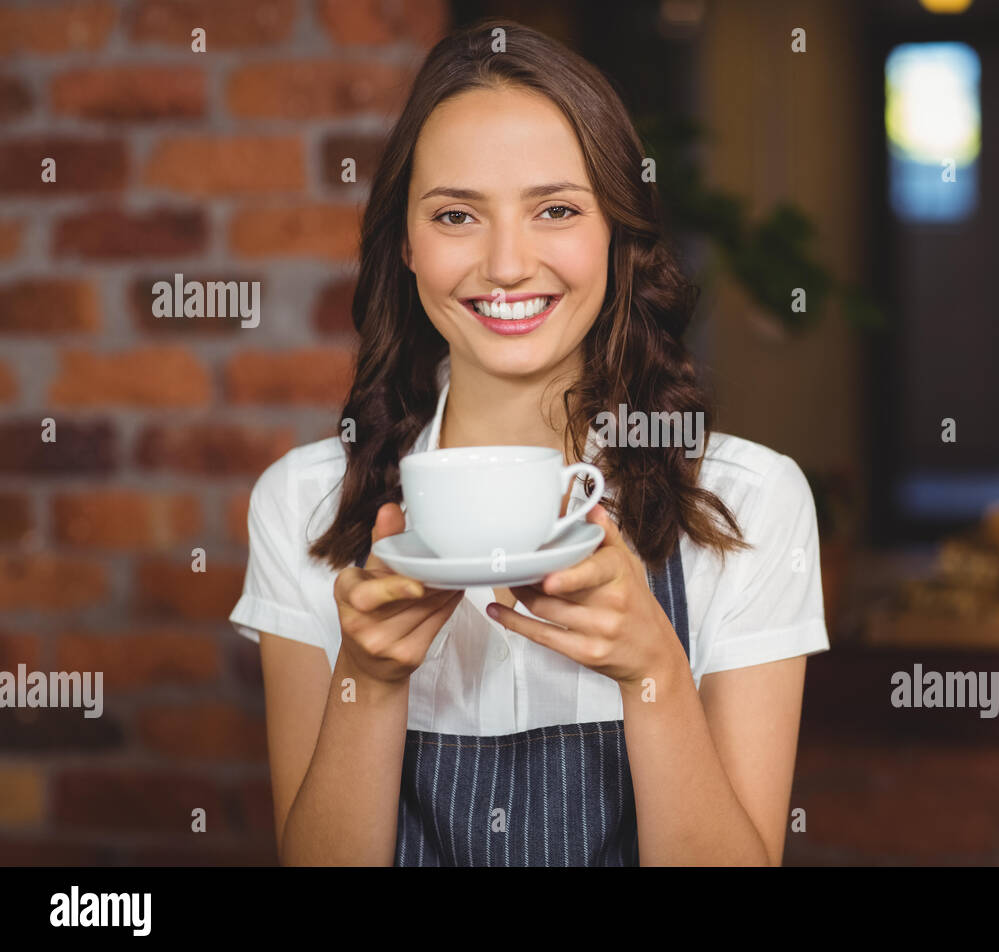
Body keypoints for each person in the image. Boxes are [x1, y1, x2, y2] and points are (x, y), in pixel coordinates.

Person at [228, 17, 830, 866]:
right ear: (405, 243)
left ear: (617, 233)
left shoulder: (749, 503)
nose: (507, 265)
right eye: (456, 215)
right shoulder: (305, 505)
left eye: (555, 209)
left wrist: (651, 668)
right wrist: (369, 677)